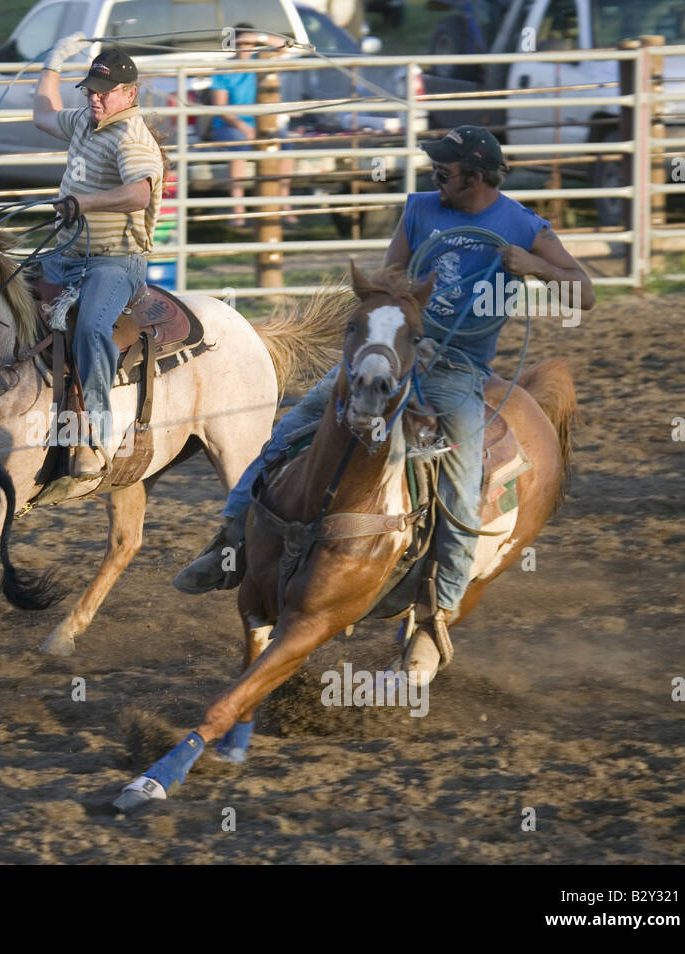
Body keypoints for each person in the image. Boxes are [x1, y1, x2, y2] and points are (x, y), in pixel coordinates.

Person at [174, 125, 595, 680]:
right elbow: (390, 272)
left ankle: (437, 612)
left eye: (444, 168)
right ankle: (227, 541)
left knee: (463, 483)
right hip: (394, 352)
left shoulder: (520, 225)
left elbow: (583, 292)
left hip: (456, 370)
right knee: (290, 430)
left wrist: (535, 267)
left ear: (474, 174)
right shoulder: (421, 208)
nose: (434, 175)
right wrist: (390, 299)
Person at [33, 35, 165, 480]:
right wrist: (54, 60)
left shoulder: (131, 137)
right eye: (90, 91)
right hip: (67, 253)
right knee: (6, 293)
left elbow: (139, 193)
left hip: (115, 261)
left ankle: (96, 432)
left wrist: (82, 203)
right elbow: (42, 113)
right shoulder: (86, 122)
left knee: (91, 328)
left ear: (129, 94)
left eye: (103, 93)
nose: (94, 99)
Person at [204, 24, 292, 227]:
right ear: (233, 45)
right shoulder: (223, 69)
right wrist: (245, 128)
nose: (245, 47)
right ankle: (238, 210)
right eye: (241, 43)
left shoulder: (261, 61)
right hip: (231, 124)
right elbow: (221, 108)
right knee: (239, 149)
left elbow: (286, 46)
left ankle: (284, 205)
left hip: (260, 123)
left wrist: (260, 36)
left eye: (250, 43)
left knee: (287, 146)